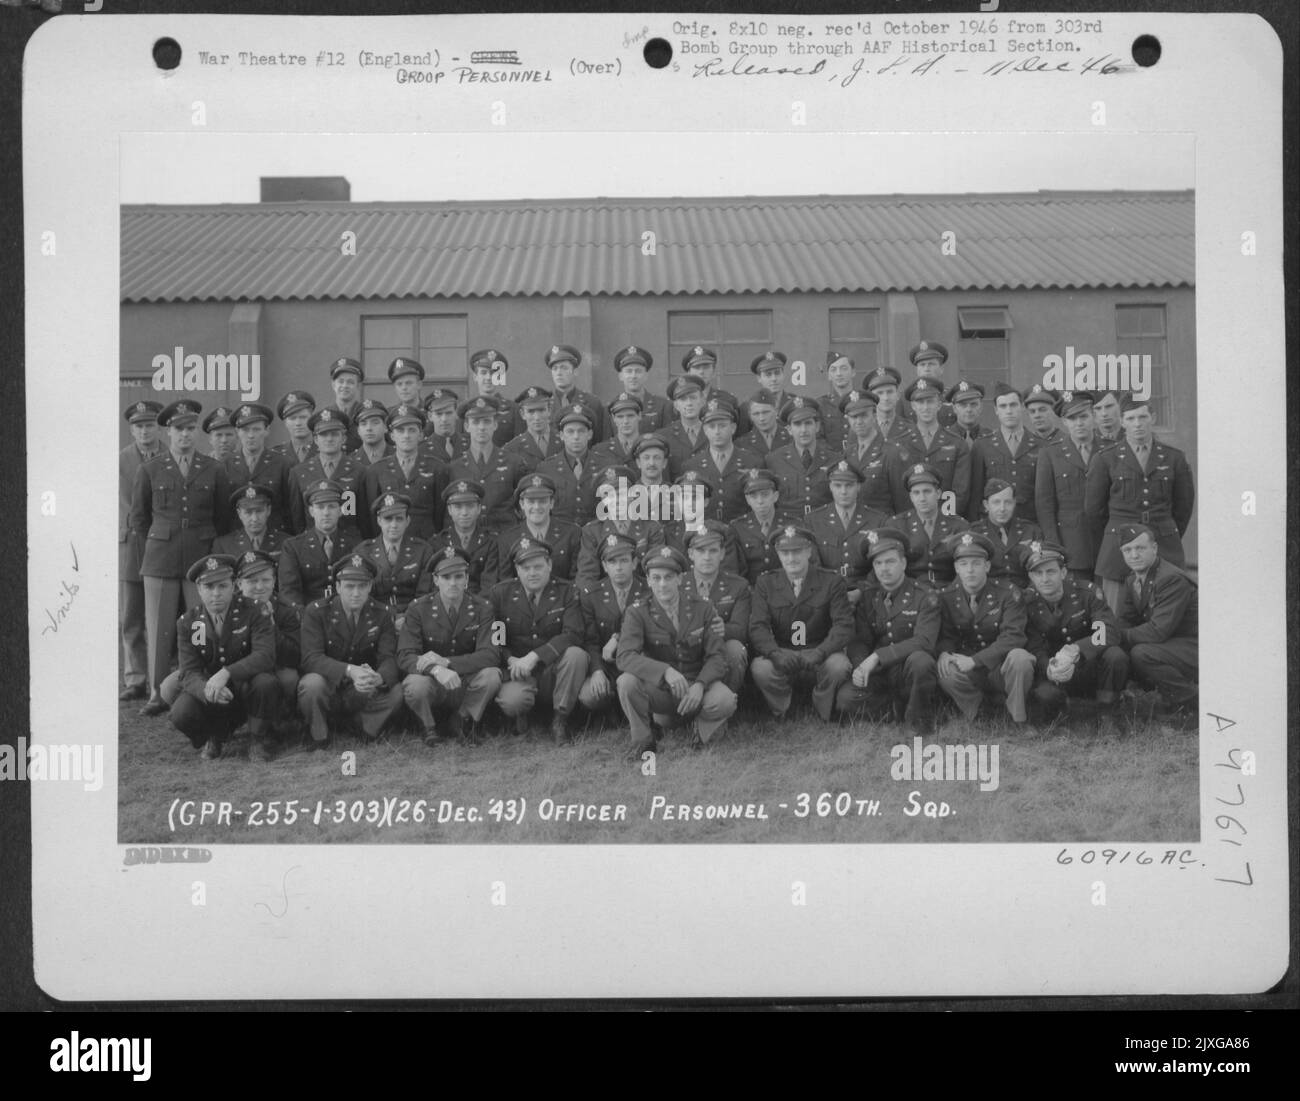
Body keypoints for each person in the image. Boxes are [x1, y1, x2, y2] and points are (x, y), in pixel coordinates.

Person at [130, 399, 232, 717]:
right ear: (167, 432)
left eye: (190, 428)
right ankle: (157, 693)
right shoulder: (150, 469)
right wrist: (158, 540)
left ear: (196, 432)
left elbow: (223, 518)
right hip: (160, 557)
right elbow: (139, 519)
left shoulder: (213, 468)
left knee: (201, 625)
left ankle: (197, 688)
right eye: (178, 429)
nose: (185, 434)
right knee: (159, 628)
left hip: (200, 558)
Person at [616, 545, 738, 755]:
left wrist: (700, 685)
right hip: (662, 689)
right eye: (656, 578)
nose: (662, 584)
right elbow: (625, 656)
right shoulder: (637, 612)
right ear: (648, 580)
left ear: (680, 579)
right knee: (626, 682)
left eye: (668, 577)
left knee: (725, 701)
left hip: (695, 684)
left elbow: (717, 656)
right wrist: (665, 671)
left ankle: (699, 731)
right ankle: (644, 741)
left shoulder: (702, 607)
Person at [1085, 394, 1195, 612]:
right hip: (1118, 550)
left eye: (1142, 417)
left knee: (1165, 613)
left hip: (1163, 547)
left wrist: (1165, 532)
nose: (1137, 424)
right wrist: (1115, 537)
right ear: (1122, 421)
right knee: (1116, 614)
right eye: (1131, 418)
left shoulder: (1174, 458)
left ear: (1152, 418)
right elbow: (1094, 511)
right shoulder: (1105, 459)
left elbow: (1183, 508)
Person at [170, 554, 278, 761]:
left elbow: (265, 655)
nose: (216, 593)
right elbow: (189, 671)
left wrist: (227, 673)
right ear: (199, 589)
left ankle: (258, 739)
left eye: (222, 586)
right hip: (214, 691)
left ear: (233, 585)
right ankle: (214, 736)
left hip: (246, 687)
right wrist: (206, 690)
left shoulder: (254, 610)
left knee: (266, 683)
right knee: (181, 712)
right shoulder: (190, 622)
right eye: (209, 587)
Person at [837, 527, 942, 735]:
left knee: (921, 661)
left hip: (908, 670)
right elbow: (861, 640)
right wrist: (860, 667)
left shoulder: (925, 595)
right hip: (881, 673)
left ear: (903, 563)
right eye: (878, 563)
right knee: (845, 699)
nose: (884, 569)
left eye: (890, 562)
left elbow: (924, 641)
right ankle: (895, 710)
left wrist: (877, 656)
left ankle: (919, 720)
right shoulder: (869, 596)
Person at [398, 545, 503, 746]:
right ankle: (428, 727)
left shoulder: (483, 608)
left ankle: (464, 721)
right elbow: (405, 655)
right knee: (415, 684)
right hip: (433, 681)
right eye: (446, 577)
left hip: (465, 682)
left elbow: (491, 654)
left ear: (467, 578)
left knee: (492, 675)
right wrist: (435, 669)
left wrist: (446, 662)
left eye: (458, 576)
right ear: (435, 580)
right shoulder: (418, 609)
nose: (453, 583)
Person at [748, 524, 854, 721]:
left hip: (819, 650)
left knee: (839, 665)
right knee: (760, 668)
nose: (791, 558)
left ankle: (822, 708)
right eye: (785, 552)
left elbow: (844, 625)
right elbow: (758, 627)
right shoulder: (765, 583)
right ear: (778, 554)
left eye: (797, 551)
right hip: (783, 651)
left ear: (809, 551)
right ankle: (782, 710)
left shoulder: (831, 581)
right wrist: (774, 653)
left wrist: (821, 651)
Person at [489, 536, 589, 743]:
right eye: (526, 568)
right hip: (518, 671)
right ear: (517, 570)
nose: (532, 573)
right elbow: (495, 639)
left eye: (538, 566)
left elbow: (573, 634)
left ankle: (560, 719)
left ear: (549, 565)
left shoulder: (567, 591)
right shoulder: (500, 594)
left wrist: (535, 656)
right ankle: (521, 717)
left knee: (576, 655)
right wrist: (510, 659)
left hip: (554, 669)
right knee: (512, 701)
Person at [297, 554, 404, 747]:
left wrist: (378, 677)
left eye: (362, 586)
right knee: (311, 684)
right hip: (329, 685)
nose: (356, 593)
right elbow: (311, 658)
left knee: (397, 692)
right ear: (338, 587)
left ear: (370, 586)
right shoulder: (317, 612)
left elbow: (388, 657)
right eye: (349, 586)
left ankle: (363, 728)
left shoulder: (382, 613)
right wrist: (349, 670)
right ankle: (319, 735)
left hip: (362, 688)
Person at [1020, 539, 1128, 730]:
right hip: (1055, 671)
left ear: (1063, 572)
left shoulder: (1087, 593)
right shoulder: (1027, 603)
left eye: (1051, 571)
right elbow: (1034, 646)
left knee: (1115, 655)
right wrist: (1049, 668)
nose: (1045, 579)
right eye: (1038, 573)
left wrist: (1077, 649)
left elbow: (1107, 630)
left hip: (1088, 665)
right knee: (1045, 696)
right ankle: (1062, 711)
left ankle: (1108, 713)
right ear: (1031, 576)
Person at [934, 531, 1036, 728]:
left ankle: (1018, 718)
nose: (970, 570)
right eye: (964, 564)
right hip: (968, 668)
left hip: (1000, 665)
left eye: (976, 563)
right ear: (956, 568)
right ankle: (981, 712)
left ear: (987, 566)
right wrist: (945, 652)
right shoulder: (946, 596)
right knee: (945, 670)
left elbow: (1013, 636)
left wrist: (975, 660)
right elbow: (946, 634)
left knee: (1021, 658)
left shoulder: (1008, 593)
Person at [1114, 523, 1198, 720]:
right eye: (1127, 550)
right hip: (1173, 644)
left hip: (1197, 646)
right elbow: (1125, 620)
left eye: (1140, 548)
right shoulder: (1132, 579)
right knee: (1120, 649)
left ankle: (1191, 704)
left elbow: (1158, 631)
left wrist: (1117, 635)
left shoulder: (1171, 579)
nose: (1134, 555)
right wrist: (1109, 636)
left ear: (1154, 548)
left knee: (1142, 654)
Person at [1034, 389, 1106, 581]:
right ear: (1064, 422)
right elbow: (1045, 506)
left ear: (1094, 416)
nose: (1079, 423)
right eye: (1072, 418)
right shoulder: (1050, 454)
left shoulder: (1110, 449)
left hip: (1107, 545)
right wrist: (1055, 548)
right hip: (1071, 547)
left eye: (1084, 416)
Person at [578, 532, 650, 718]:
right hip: (607, 666)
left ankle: (646, 714)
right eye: (612, 562)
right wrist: (597, 671)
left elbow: (651, 633)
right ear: (604, 566)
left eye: (624, 561)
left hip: (640, 663)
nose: (618, 567)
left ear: (634, 563)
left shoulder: (649, 591)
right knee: (588, 695)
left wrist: (618, 638)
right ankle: (611, 711)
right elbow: (590, 640)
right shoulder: (591, 595)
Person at [119, 400, 163, 702]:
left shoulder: (171, 454)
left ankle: (164, 677)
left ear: (158, 427)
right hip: (132, 544)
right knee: (131, 615)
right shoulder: (121, 460)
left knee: (163, 615)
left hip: (162, 543)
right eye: (139, 426)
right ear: (132, 430)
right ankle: (135, 678)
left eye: (149, 425)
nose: (144, 431)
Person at [232, 548, 302, 734]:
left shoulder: (287, 610)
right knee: (170, 686)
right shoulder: (229, 608)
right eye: (252, 581)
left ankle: (279, 719)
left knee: (289, 678)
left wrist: (271, 626)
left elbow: (295, 656)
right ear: (239, 583)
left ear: (274, 581)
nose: (259, 587)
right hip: (237, 667)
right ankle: (221, 727)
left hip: (273, 667)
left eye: (265, 580)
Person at [357, 403, 449, 540]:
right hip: (389, 542)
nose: (406, 436)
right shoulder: (376, 471)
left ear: (421, 435)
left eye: (412, 430)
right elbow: (370, 517)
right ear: (392, 435)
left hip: (427, 543)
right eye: (400, 431)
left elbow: (441, 513)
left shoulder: (437, 468)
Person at [682, 521, 751, 695]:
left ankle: (727, 699)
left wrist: (723, 629)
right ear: (691, 554)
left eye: (713, 551)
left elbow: (741, 630)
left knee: (736, 649)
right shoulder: (677, 584)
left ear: (722, 553)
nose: (707, 557)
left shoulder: (738, 586)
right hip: (685, 649)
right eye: (701, 551)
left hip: (719, 647)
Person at [888, 377, 971, 515]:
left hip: (947, 520)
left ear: (939, 404)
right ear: (913, 406)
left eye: (930, 401)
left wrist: (943, 521)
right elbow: (897, 492)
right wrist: (910, 522)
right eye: (920, 402)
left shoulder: (957, 443)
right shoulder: (898, 444)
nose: (926, 407)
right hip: (909, 521)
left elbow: (960, 492)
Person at [447, 394, 530, 529]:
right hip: (472, 536)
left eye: (487, 421)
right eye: (476, 422)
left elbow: (524, 507)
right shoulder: (455, 468)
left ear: (495, 424)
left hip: (505, 536)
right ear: (467, 426)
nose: (481, 427)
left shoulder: (514, 463)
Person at [355, 491, 435, 630]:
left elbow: (425, 594)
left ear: (407, 521)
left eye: (399, 519)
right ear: (379, 520)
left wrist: (408, 618)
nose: (394, 525)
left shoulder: (422, 550)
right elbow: (362, 596)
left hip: (415, 621)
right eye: (388, 519)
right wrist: (386, 620)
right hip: (375, 622)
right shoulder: (363, 552)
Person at [574, 465, 666, 586]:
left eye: (621, 494)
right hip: (605, 594)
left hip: (644, 592)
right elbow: (587, 575)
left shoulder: (651, 528)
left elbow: (657, 571)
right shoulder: (592, 531)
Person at [807, 459, 890, 592]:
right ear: (830, 487)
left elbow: (881, 563)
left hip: (867, 593)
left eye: (849, 485)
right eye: (838, 485)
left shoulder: (878, 520)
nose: (843, 491)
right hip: (827, 592)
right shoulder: (813, 520)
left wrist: (861, 591)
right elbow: (813, 565)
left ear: (858, 487)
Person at [968, 381, 1043, 525]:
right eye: (1003, 406)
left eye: (1013, 405)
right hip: (993, 525)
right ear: (996, 410)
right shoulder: (982, 446)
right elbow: (976, 494)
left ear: (1022, 407)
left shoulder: (1041, 446)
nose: (1009, 411)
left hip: (1030, 525)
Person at [278, 479, 361, 608]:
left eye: (331, 506)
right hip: (308, 614)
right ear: (311, 511)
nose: (326, 513)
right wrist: (305, 616)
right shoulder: (293, 547)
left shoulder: (355, 545)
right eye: (320, 507)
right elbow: (289, 591)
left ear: (340, 510)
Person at [681, 396, 762, 523]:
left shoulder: (752, 462)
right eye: (712, 426)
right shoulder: (691, 466)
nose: (717, 431)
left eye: (722, 426)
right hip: (705, 530)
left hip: (742, 529)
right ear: (705, 430)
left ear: (733, 428)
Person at [888, 463, 970, 587]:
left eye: (927, 491)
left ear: (938, 493)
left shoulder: (958, 525)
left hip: (949, 590)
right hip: (912, 591)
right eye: (916, 493)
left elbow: (965, 567)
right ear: (911, 496)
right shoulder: (897, 525)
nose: (922, 498)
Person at [288, 407, 366, 536]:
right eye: (323, 434)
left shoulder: (360, 471)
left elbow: (364, 519)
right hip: (312, 543)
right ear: (315, 439)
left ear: (344, 438)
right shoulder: (299, 473)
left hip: (350, 542)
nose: (329, 439)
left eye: (334, 434)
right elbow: (296, 520)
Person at [496, 472, 583, 581]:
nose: (536, 507)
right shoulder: (507, 539)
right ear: (522, 504)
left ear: (551, 503)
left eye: (542, 501)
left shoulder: (572, 534)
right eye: (531, 502)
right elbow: (506, 583)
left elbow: (576, 579)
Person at [225, 401, 295, 535]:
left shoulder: (284, 464)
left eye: (256, 429)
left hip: (275, 537)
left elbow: (290, 509)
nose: (251, 435)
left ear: (267, 431)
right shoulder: (224, 465)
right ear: (237, 432)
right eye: (245, 430)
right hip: (236, 538)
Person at [765, 397, 837, 518]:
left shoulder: (834, 459)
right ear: (789, 429)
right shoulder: (773, 460)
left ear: (817, 426)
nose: (803, 430)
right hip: (788, 524)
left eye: (808, 423)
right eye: (797, 424)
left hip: (824, 523)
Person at [427, 479, 500, 595]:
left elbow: (489, 585)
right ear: (449, 510)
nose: (464, 512)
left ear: (479, 509)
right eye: (458, 507)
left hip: (480, 603)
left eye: (470, 506)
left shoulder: (491, 541)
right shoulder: (437, 543)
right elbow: (434, 586)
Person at [968, 478, 1043, 588]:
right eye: (996, 502)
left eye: (1008, 502)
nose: (1002, 508)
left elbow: (1040, 568)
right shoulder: (975, 533)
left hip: (1024, 592)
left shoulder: (1030, 530)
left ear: (1014, 503)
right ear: (986, 505)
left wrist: (1031, 592)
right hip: (990, 593)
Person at [535, 404, 599, 525]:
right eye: (570, 431)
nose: (576, 437)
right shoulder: (546, 469)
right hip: (560, 533)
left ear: (590, 434)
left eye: (581, 431)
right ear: (561, 435)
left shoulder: (605, 465)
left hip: (596, 533)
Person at [838, 389, 893, 515]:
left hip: (883, 524)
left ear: (874, 415)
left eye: (863, 415)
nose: (859, 422)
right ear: (848, 419)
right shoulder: (848, 453)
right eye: (854, 417)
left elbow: (903, 505)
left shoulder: (891, 452)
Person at [730, 467, 787, 584]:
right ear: (747, 500)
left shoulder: (792, 525)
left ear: (775, 496)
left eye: (765, 495)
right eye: (753, 496)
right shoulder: (738, 528)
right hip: (752, 590)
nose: (760, 501)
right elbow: (735, 572)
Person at [546, 344, 610, 443]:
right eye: (555, 368)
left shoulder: (592, 403)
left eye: (564, 368)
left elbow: (599, 440)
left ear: (575, 371)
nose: (559, 373)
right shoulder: (545, 404)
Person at [680, 345, 745, 434]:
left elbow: (737, 435)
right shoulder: (680, 402)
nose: (701, 372)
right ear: (688, 373)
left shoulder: (728, 400)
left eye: (706, 367)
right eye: (697, 367)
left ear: (713, 371)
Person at [212, 484, 288, 559]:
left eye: (259, 511)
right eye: (248, 512)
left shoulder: (286, 542)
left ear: (268, 510)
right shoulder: (223, 545)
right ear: (239, 513)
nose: (254, 519)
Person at [468, 348, 522, 445]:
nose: (488, 377)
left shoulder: (513, 409)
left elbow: (519, 446)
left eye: (493, 373)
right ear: (475, 377)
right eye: (483, 373)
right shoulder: (467, 410)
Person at [613, 344, 670, 434]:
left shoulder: (663, 406)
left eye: (638, 371)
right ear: (620, 376)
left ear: (646, 375)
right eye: (629, 371)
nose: (633, 376)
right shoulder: (612, 408)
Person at [502, 385, 562, 471]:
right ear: (522, 414)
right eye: (531, 411)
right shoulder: (511, 449)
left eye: (541, 410)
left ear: (549, 410)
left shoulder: (565, 442)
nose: (537, 417)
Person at [662, 374, 709, 478]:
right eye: (683, 399)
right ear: (676, 405)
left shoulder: (713, 432)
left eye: (693, 397)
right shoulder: (664, 437)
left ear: (702, 401)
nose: (689, 403)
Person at [589, 392, 644, 472]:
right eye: (620, 417)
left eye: (630, 416)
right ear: (613, 418)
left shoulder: (649, 447)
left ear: (639, 416)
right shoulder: (600, 451)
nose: (625, 421)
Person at [815, 351, 858, 453]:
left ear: (853, 372)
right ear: (829, 376)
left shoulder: (863, 401)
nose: (839, 374)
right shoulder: (821, 405)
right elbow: (818, 439)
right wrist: (835, 458)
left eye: (844, 368)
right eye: (833, 370)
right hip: (831, 459)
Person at [866, 365, 921, 444]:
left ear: (898, 395)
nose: (886, 398)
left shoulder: (911, 429)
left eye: (890, 392)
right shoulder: (863, 428)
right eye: (880, 393)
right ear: (871, 398)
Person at [325, 356, 365, 453]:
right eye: (341, 381)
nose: (345, 386)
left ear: (358, 386)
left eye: (350, 382)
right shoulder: (325, 416)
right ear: (333, 385)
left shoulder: (365, 414)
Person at [270, 390, 318, 467]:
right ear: (285, 422)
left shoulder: (328, 450)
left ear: (312, 418)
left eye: (303, 417)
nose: (298, 423)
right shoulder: (275, 455)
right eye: (292, 418)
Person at [736, 389, 790, 457]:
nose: (761, 418)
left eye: (766, 412)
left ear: (776, 411)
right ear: (750, 416)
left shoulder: (791, 438)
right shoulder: (741, 444)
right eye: (756, 414)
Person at [421, 388, 464, 463]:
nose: (444, 419)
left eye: (449, 413)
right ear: (430, 416)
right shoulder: (421, 450)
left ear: (456, 414)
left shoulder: (471, 445)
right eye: (439, 414)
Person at [748, 351, 793, 416]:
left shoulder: (794, 404)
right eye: (768, 374)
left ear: (783, 374)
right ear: (759, 378)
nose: (774, 379)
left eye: (777, 373)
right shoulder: (749, 407)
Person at [353, 398, 392, 467]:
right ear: (358, 430)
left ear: (385, 427)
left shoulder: (399, 457)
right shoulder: (351, 461)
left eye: (375, 423)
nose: (369, 428)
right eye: (363, 424)